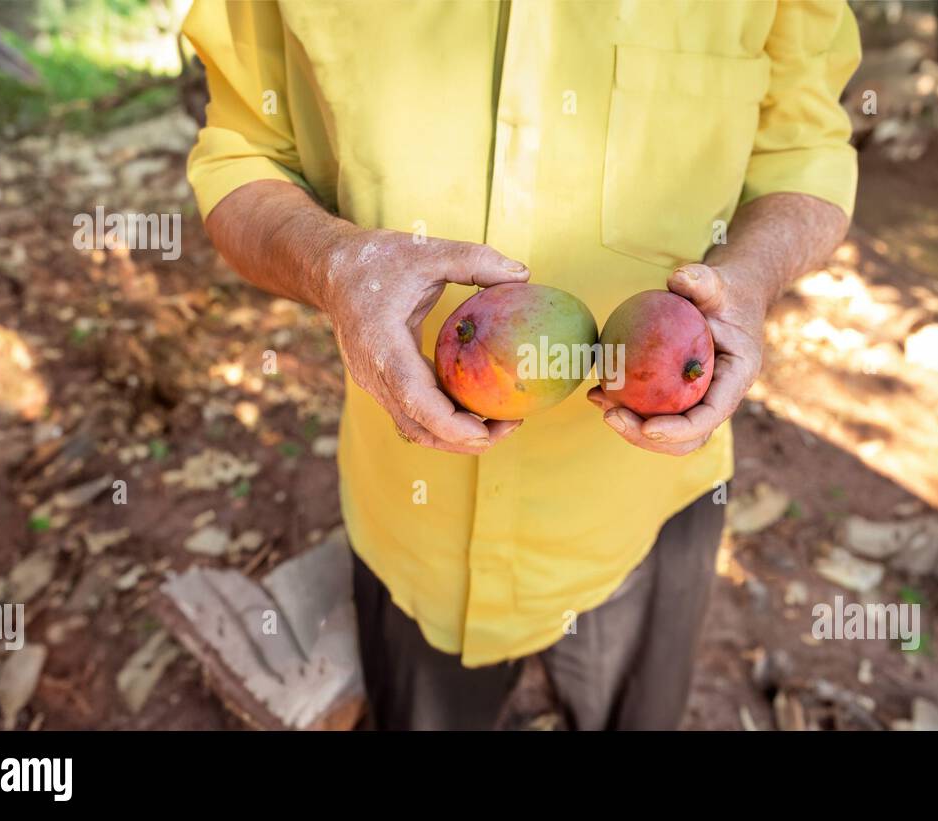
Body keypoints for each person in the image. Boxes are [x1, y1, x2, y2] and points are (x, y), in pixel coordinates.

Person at [183, 0, 859, 730]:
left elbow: (806, 150)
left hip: (642, 508)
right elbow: (241, 158)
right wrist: (335, 263)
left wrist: (751, 275)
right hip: (410, 520)